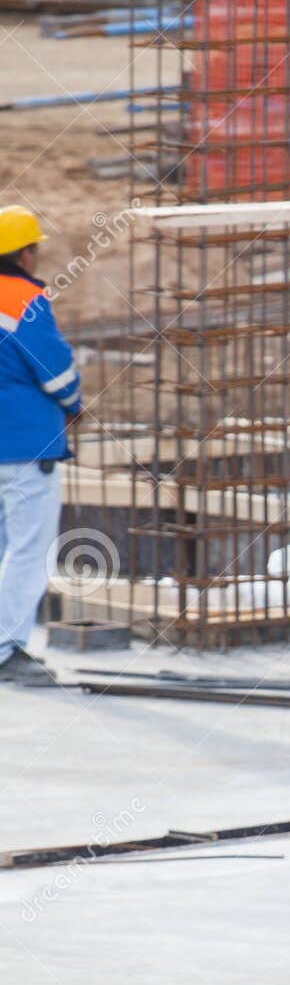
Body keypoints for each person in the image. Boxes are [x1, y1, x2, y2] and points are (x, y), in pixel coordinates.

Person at [0, 205, 81, 687]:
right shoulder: (23, 299)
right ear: (24, 254)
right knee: (28, 549)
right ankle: (7, 648)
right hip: (26, 444)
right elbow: (55, 368)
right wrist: (74, 402)